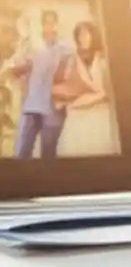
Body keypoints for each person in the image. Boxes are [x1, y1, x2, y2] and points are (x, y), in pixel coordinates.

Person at [12, 10, 73, 159]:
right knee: (22, 153)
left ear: (57, 25)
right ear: (41, 25)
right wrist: (26, 66)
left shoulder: (65, 48)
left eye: (52, 22)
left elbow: (68, 76)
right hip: (31, 105)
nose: (49, 26)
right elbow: (17, 71)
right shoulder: (31, 46)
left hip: (53, 108)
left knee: (48, 155)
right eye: (45, 22)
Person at [55, 21, 119, 157]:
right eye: (79, 35)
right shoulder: (73, 60)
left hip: (99, 114)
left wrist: (96, 95)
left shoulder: (103, 59)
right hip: (79, 112)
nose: (81, 39)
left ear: (93, 36)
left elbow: (108, 91)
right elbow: (68, 86)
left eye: (85, 34)